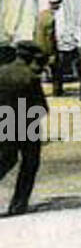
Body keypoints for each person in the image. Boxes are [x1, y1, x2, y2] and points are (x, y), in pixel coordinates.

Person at [0, 40, 46, 216]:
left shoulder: (2, 73)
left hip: (5, 121)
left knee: (6, 159)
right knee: (30, 163)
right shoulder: (31, 77)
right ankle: (18, 204)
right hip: (28, 125)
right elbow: (41, 107)